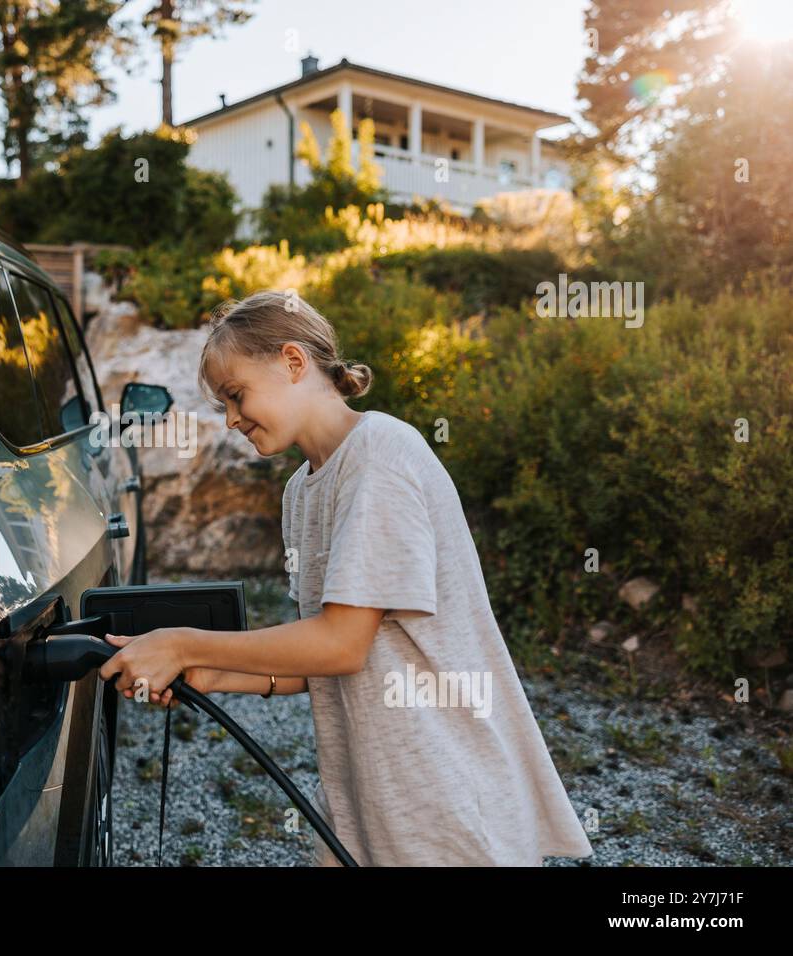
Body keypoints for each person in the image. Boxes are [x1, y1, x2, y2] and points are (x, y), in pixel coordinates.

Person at [100, 290, 594, 867]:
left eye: (235, 395)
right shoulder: (301, 490)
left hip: (441, 797)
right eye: (221, 407)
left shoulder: (380, 457)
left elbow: (342, 644)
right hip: (367, 796)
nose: (231, 419)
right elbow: (320, 660)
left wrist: (180, 641)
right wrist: (207, 674)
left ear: (292, 361)